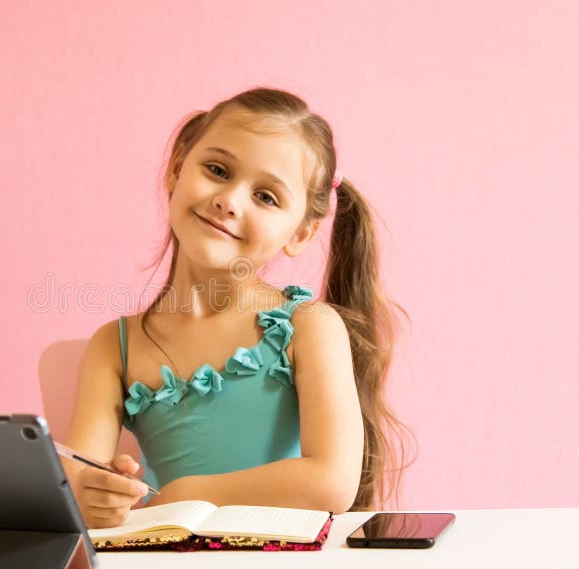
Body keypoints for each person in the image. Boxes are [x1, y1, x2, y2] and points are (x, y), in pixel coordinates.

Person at [61, 87, 414, 529]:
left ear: (301, 234)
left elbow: (332, 482)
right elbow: (78, 472)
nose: (229, 200)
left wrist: (187, 493)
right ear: (176, 168)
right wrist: (93, 493)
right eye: (217, 170)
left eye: (266, 197)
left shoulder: (310, 328)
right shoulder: (115, 347)